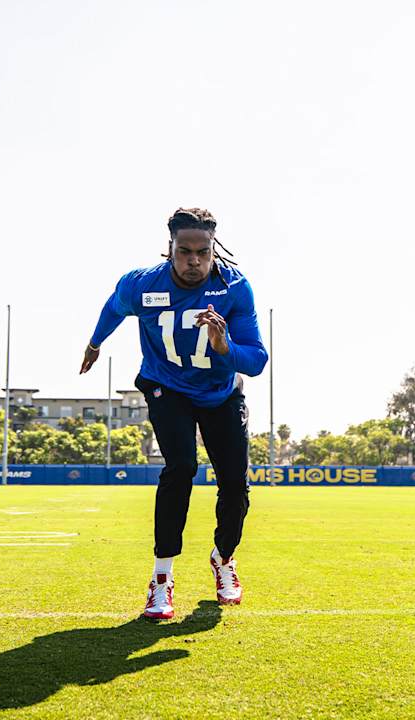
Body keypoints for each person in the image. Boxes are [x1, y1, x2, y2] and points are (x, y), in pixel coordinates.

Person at [82, 208, 268, 619]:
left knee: (235, 484)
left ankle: (223, 558)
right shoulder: (142, 284)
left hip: (220, 393)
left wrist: (225, 348)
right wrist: (95, 343)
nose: (194, 261)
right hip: (167, 387)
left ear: (213, 249)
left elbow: (256, 360)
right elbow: (114, 307)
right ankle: (161, 577)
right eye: (184, 251)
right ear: (170, 249)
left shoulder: (235, 288)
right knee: (181, 466)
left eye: (203, 252)